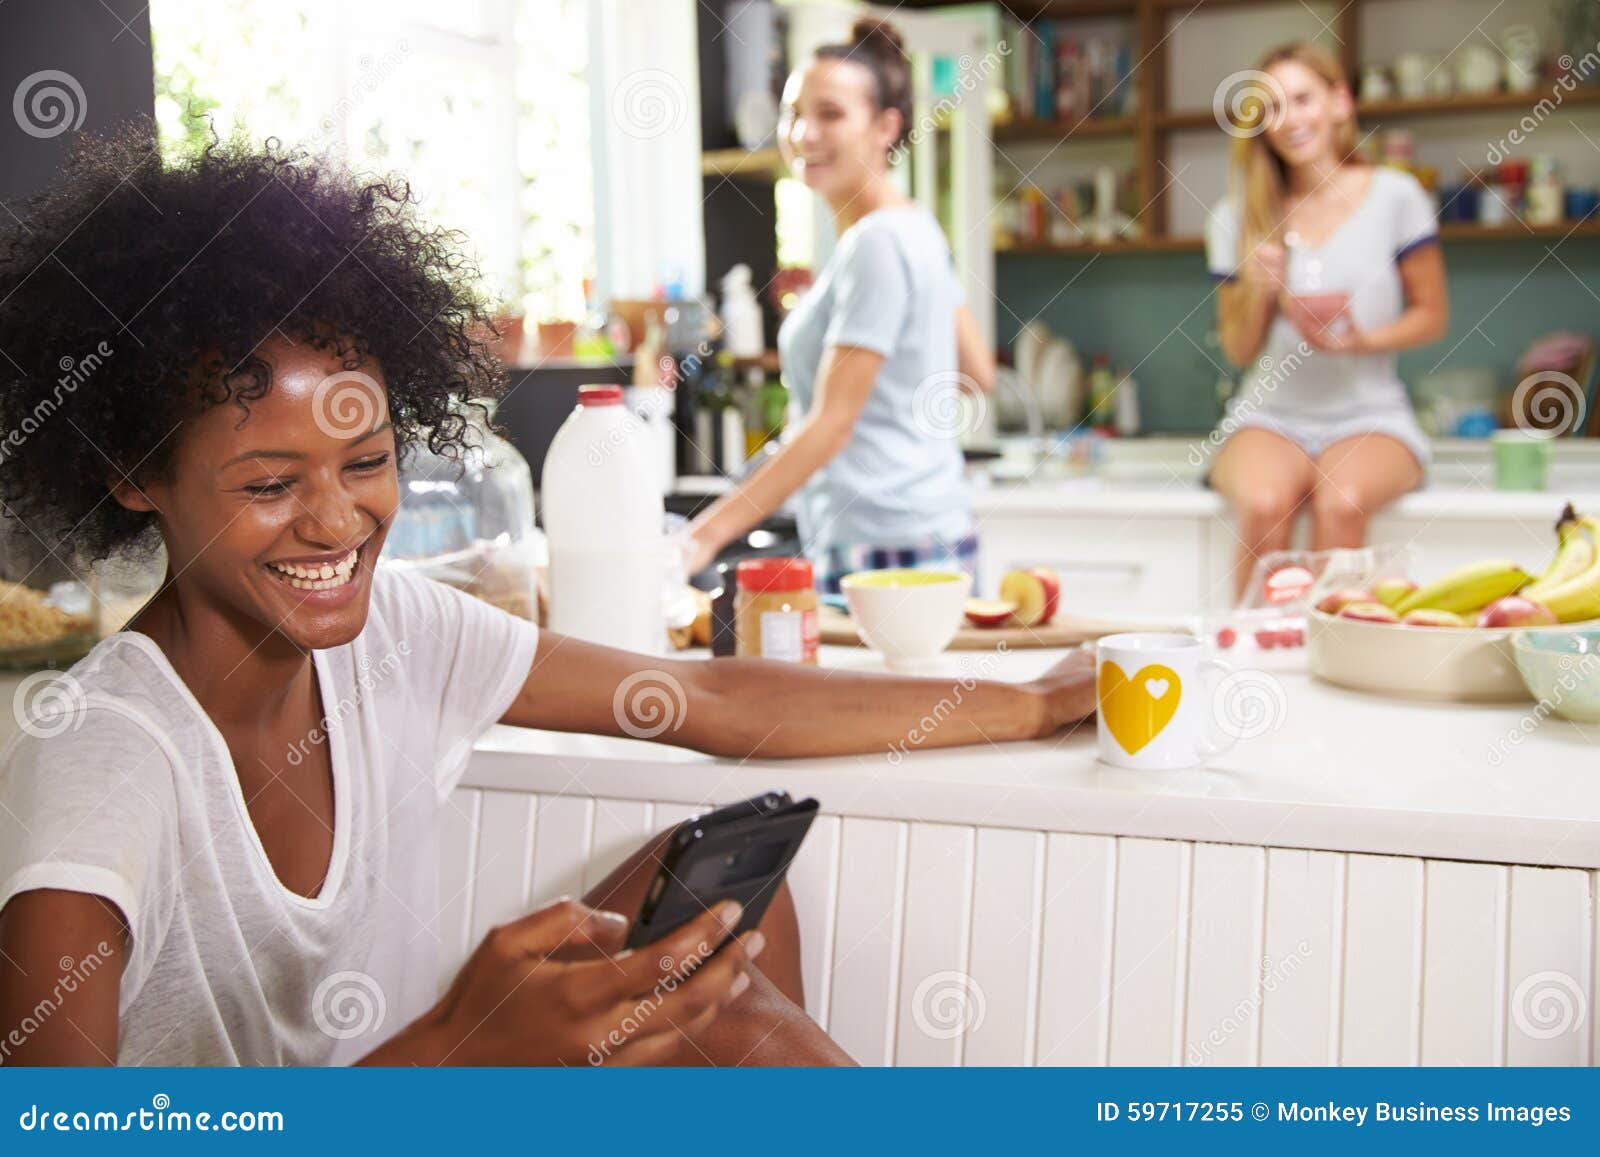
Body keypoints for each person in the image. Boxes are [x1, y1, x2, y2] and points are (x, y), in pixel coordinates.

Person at [0, 128, 1096, 1066]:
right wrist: (459, 1049)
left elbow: (707, 697)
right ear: (132, 471)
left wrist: (1036, 700)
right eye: (269, 485)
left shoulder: (394, 632)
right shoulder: (103, 762)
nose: (335, 522)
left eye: (367, 462)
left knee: (710, 925)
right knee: (721, 1007)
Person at [684, 19, 996, 593]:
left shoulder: (875, 244)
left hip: (880, 546)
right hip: (932, 529)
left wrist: (700, 538)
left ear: (885, 127)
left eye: (830, 114)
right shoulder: (916, 226)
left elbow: (831, 424)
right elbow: (978, 372)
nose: (804, 133)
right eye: (793, 113)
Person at [1206, 42, 1448, 597]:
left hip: (1371, 414)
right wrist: (1259, 291)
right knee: (1264, 503)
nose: (1290, 120)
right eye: (1272, 108)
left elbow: (1431, 316)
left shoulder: (1397, 197)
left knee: (1341, 502)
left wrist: (1360, 340)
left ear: (1339, 102)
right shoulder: (1235, 217)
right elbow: (1239, 351)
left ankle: (1331, 648)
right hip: (1269, 415)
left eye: (1303, 99)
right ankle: (1257, 646)